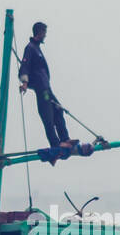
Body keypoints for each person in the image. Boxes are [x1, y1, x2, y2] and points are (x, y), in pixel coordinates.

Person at [18, 22, 76, 150]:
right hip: (41, 89)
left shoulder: (37, 48)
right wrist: (25, 83)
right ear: (39, 32)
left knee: (58, 109)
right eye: (44, 32)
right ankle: (56, 143)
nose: (45, 35)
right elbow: (25, 65)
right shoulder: (30, 48)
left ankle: (65, 139)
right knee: (48, 115)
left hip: (46, 88)